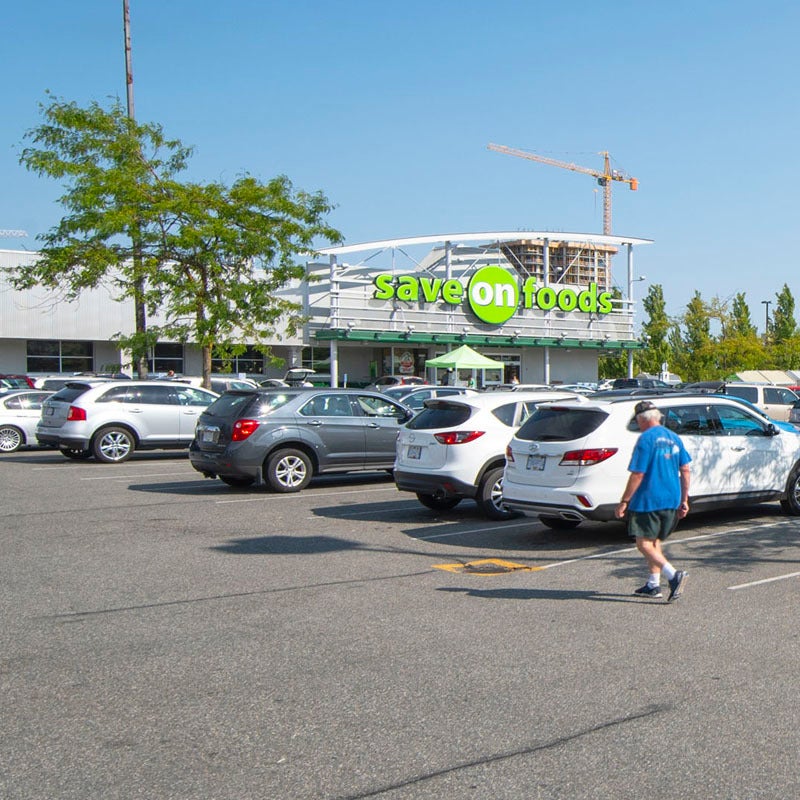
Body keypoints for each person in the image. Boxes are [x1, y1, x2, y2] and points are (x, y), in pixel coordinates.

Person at [615, 400, 691, 602]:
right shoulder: (674, 438)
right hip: (671, 498)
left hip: (649, 499)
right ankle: (653, 583)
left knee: (643, 543)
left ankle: (673, 575)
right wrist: (684, 499)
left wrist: (624, 501)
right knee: (655, 541)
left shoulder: (645, 439)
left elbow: (638, 473)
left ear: (641, 420)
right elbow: (685, 469)